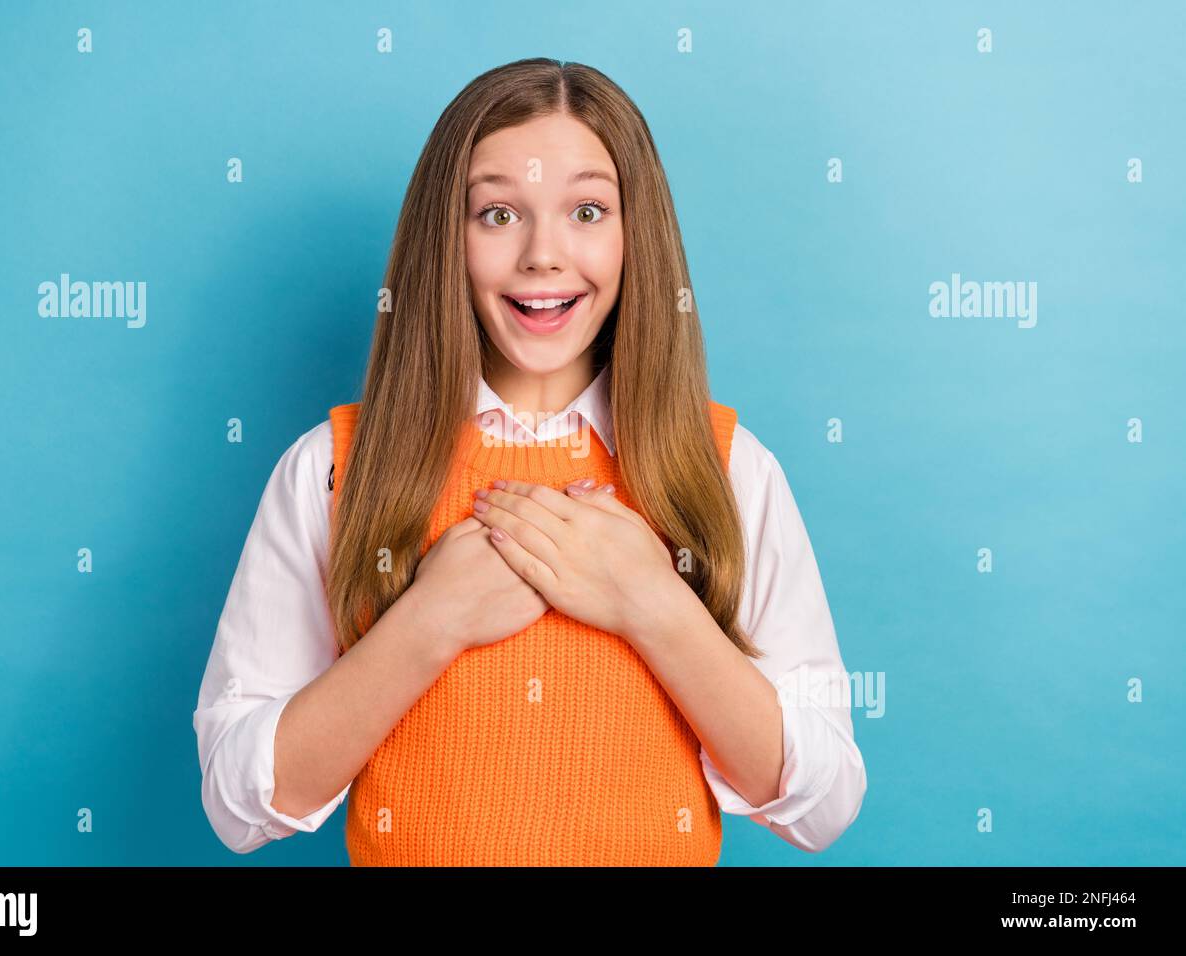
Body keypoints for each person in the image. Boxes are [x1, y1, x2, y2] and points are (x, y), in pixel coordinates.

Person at [193, 57, 866, 866]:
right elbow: (237, 806)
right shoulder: (332, 470)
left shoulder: (729, 470)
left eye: (586, 210)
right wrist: (426, 626)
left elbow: (824, 806)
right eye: (498, 214)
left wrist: (653, 605)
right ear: (448, 237)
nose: (544, 256)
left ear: (633, 236)